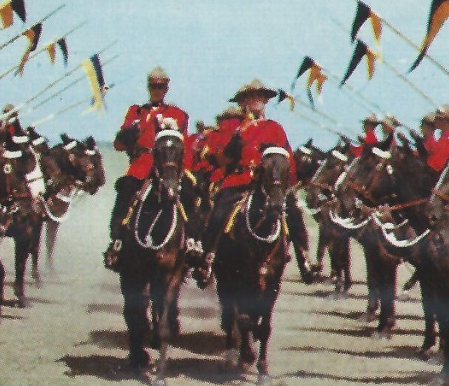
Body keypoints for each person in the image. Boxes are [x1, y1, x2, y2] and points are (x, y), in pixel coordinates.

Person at [202, 79, 309, 277]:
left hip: (271, 183)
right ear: (243, 103)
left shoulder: (275, 128)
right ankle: (208, 256)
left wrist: (289, 181)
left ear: (265, 101)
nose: (255, 101)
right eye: (250, 98)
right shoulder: (236, 128)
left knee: (293, 209)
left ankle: (304, 258)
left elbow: (287, 157)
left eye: (259, 97)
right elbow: (222, 158)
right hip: (240, 180)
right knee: (220, 209)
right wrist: (230, 146)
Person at [105, 68, 189, 263]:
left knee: (189, 196)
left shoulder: (177, 114)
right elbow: (118, 146)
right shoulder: (136, 112)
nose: (157, 90)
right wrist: (127, 134)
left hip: (166, 165)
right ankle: (117, 240)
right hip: (141, 166)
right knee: (125, 191)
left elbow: (181, 144)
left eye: (161, 87)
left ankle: (192, 243)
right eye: (153, 86)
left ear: (166, 88)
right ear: (148, 87)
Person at [421, 104, 449, 172]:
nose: (435, 121)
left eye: (437, 118)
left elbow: (435, 166)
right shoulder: (444, 138)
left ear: (444, 121)